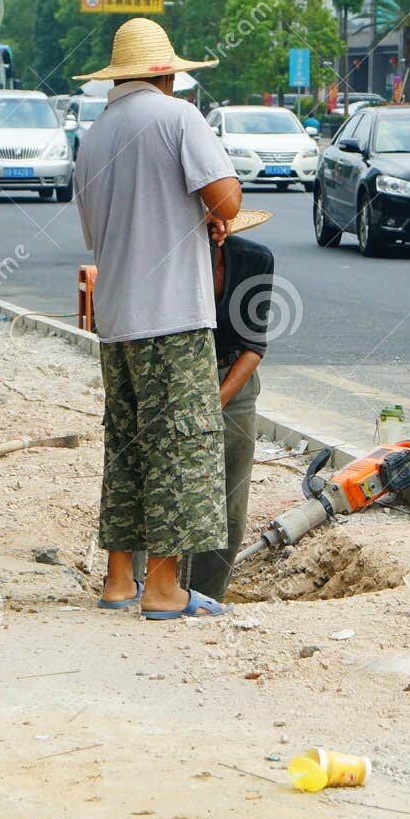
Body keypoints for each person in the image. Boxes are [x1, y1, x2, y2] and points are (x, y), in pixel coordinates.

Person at [73, 17, 243, 620]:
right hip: (172, 316)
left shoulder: (93, 137)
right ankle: (165, 589)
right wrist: (213, 212)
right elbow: (226, 199)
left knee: (126, 446)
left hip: (116, 320)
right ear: (166, 74)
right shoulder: (178, 118)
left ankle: (120, 579)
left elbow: (99, 234)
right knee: (182, 446)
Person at [180, 209, 273, 604]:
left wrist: (216, 399)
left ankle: (206, 596)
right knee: (169, 492)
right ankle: (149, 589)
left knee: (228, 504)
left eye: (215, 224)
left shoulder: (254, 260)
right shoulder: (169, 266)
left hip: (232, 379)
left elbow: (254, 345)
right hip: (176, 378)